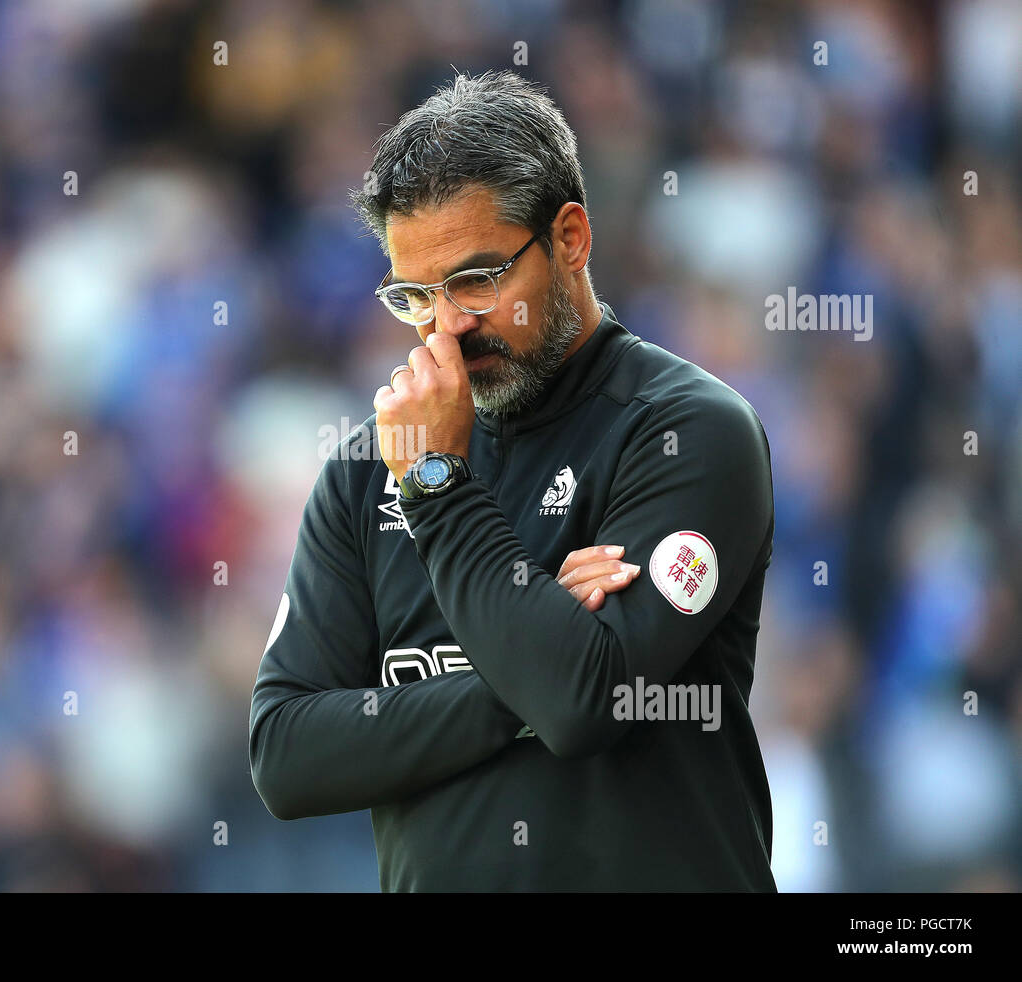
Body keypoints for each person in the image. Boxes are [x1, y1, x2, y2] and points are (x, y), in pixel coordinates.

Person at [249, 71, 776, 891]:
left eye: (475, 281)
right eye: (415, 296)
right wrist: (517, 677)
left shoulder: (686, 432)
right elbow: (285, 755)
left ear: (570, 237)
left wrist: (437, 484)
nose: (446, 326)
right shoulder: (365, 469)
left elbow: (581, 702)